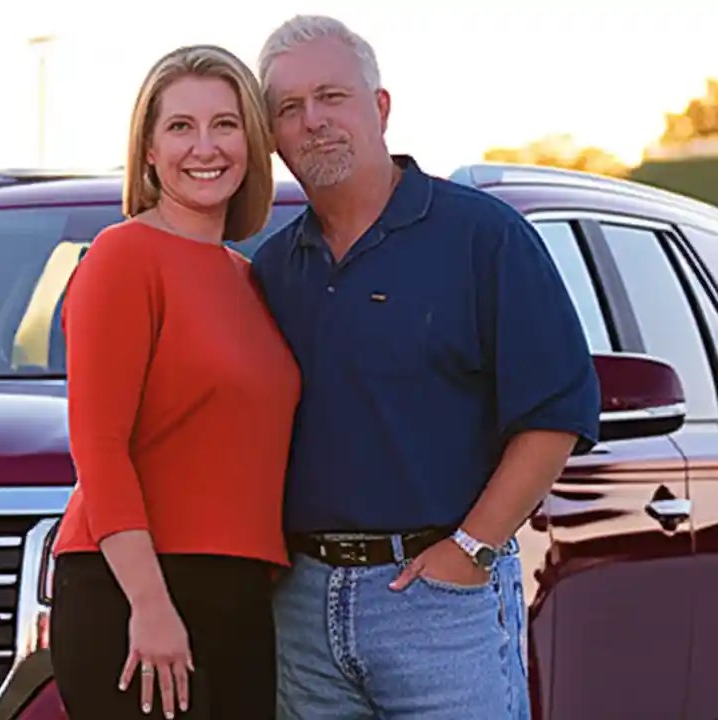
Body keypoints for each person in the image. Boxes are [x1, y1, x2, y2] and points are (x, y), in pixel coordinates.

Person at [249, 15, 600, 720]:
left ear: (379, 107)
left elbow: (556, 413)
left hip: (442, 605)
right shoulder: (271, 269)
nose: (312, 121)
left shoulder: (483, 237)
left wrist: (469, 553)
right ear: (273, 136)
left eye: (332, 97)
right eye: (289, 109)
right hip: (300, 610)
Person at [47, 44, 300, 720]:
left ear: (252, 141)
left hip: (242, 598)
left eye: (225, 124)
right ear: (149, 150)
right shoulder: (123, 256)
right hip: (134, 595)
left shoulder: (249, 280)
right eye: (180, 127)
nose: (205, 147)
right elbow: (99, 447)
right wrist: (151, 606)